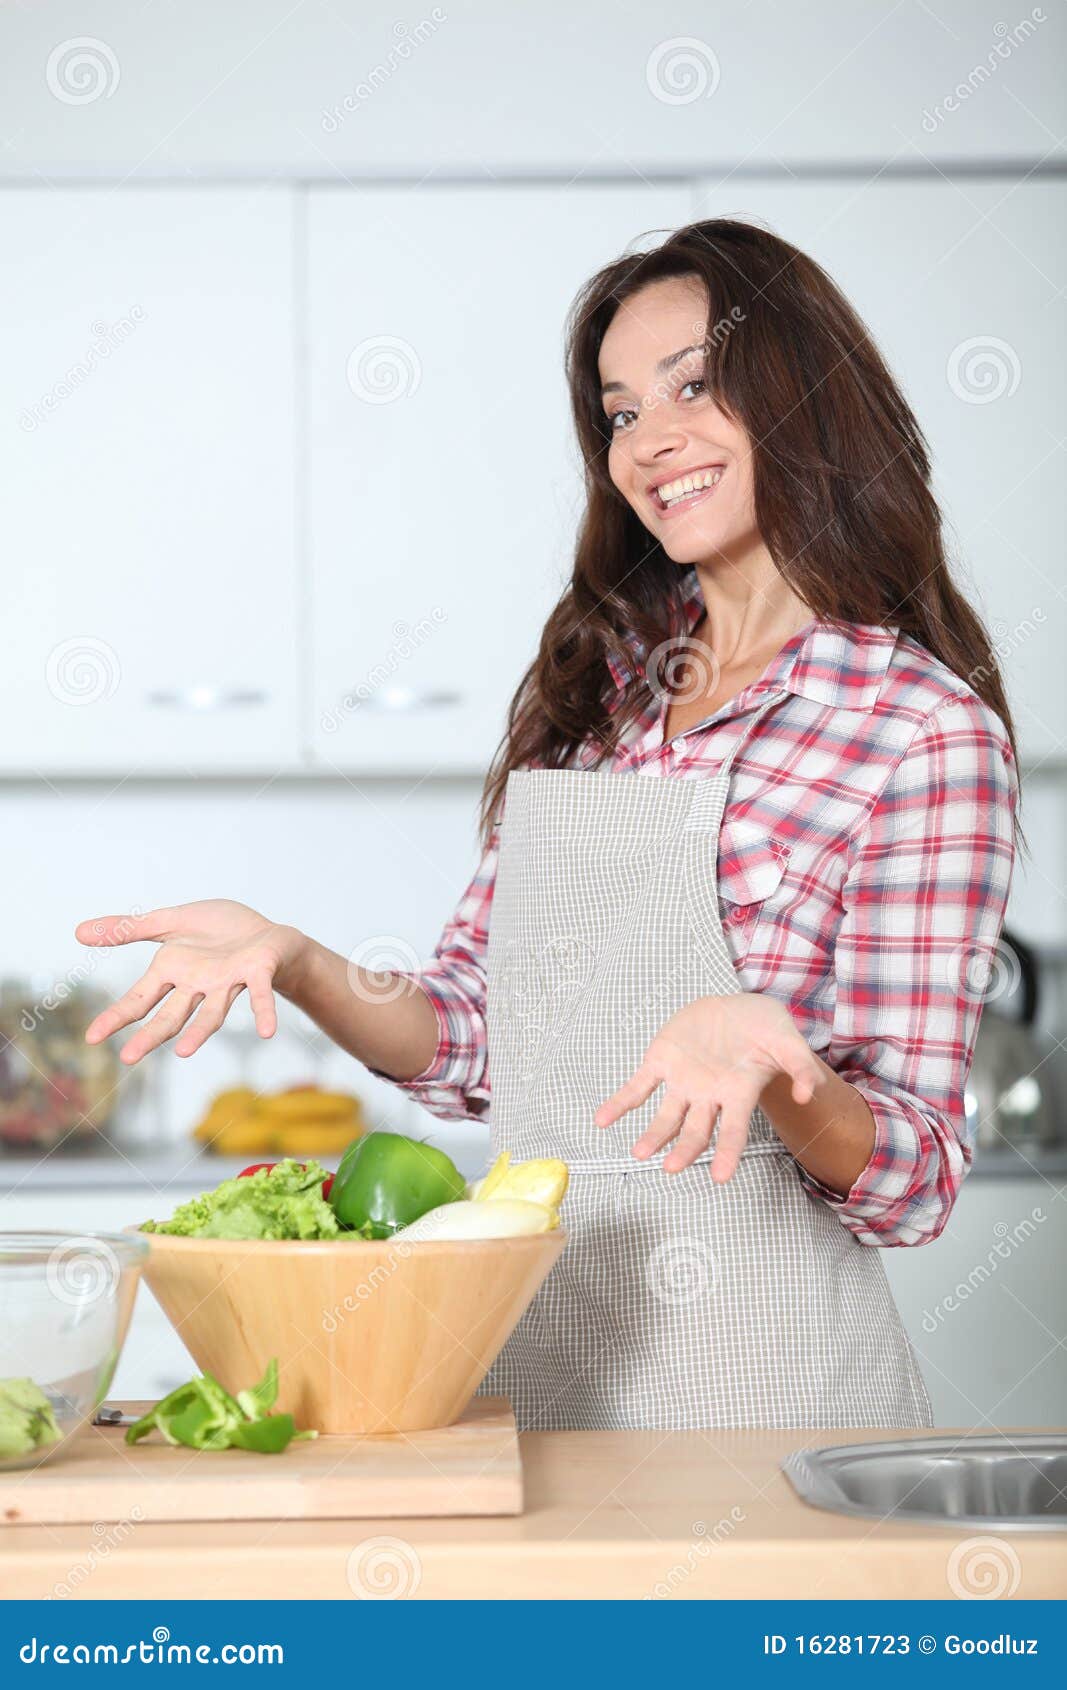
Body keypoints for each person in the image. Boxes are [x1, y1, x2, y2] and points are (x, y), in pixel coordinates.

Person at [78, 220, 1018, 1431]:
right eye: (620, 411)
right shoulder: (604, 688)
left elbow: (914, 1179)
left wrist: (777, 1061)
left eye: (693, 384)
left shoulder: (914, 729)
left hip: (769, 1402)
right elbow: (476, 1043)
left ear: (803, 397)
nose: (650, 439)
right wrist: (302, 961)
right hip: (525, 1380)